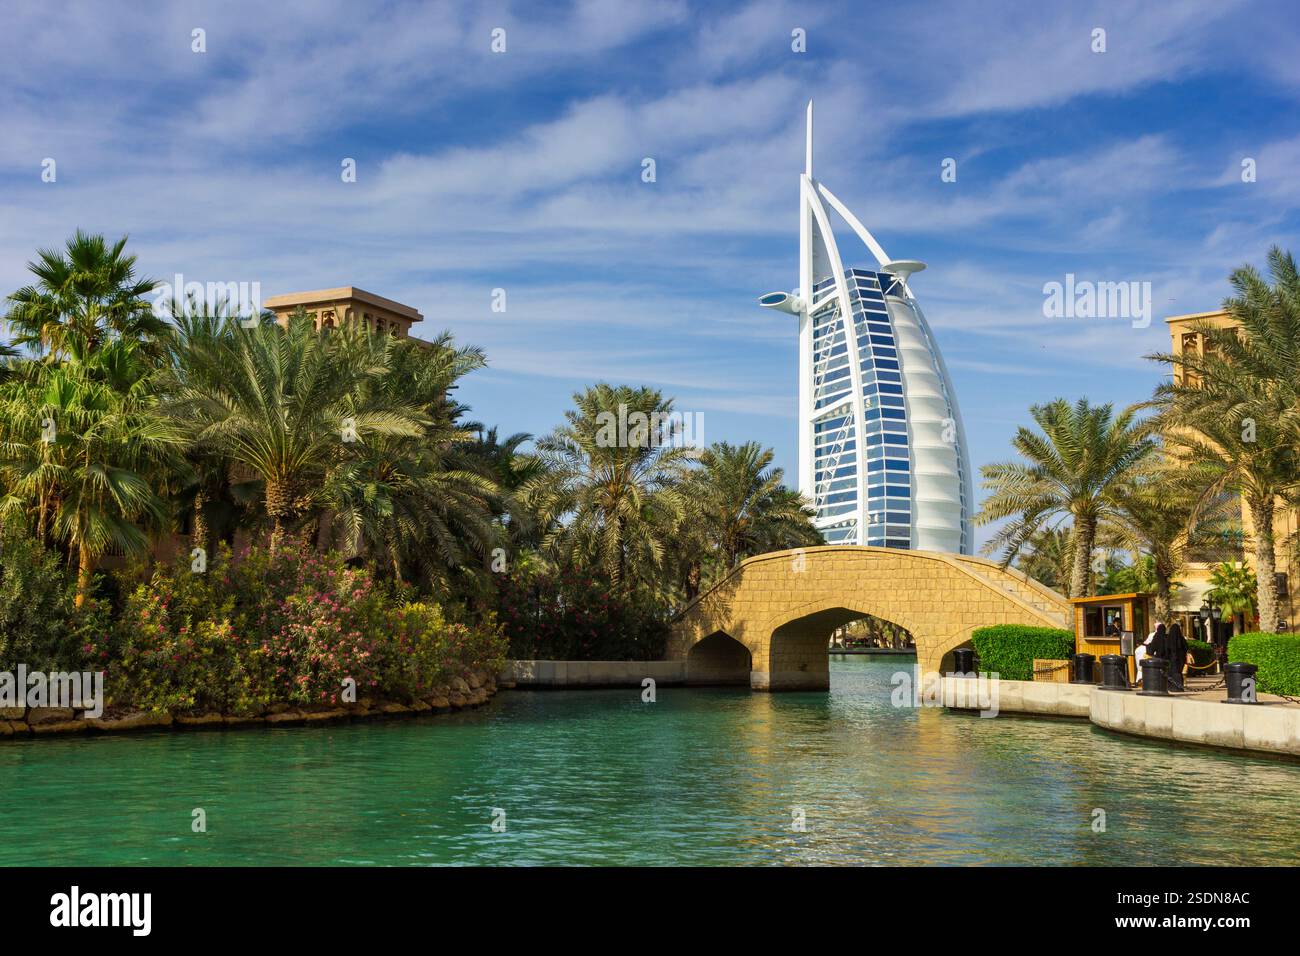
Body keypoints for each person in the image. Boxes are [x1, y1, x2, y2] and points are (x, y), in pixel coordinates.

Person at [1167, 621, 1190, 691]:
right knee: (1179, 673)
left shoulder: (1169, 639)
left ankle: (1172, 687)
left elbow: (1167, 649)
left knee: (1172, 672)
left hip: (1172, 659)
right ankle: (1179, 687)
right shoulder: (1182, 639)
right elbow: (1186, 647)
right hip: (1180, 660)